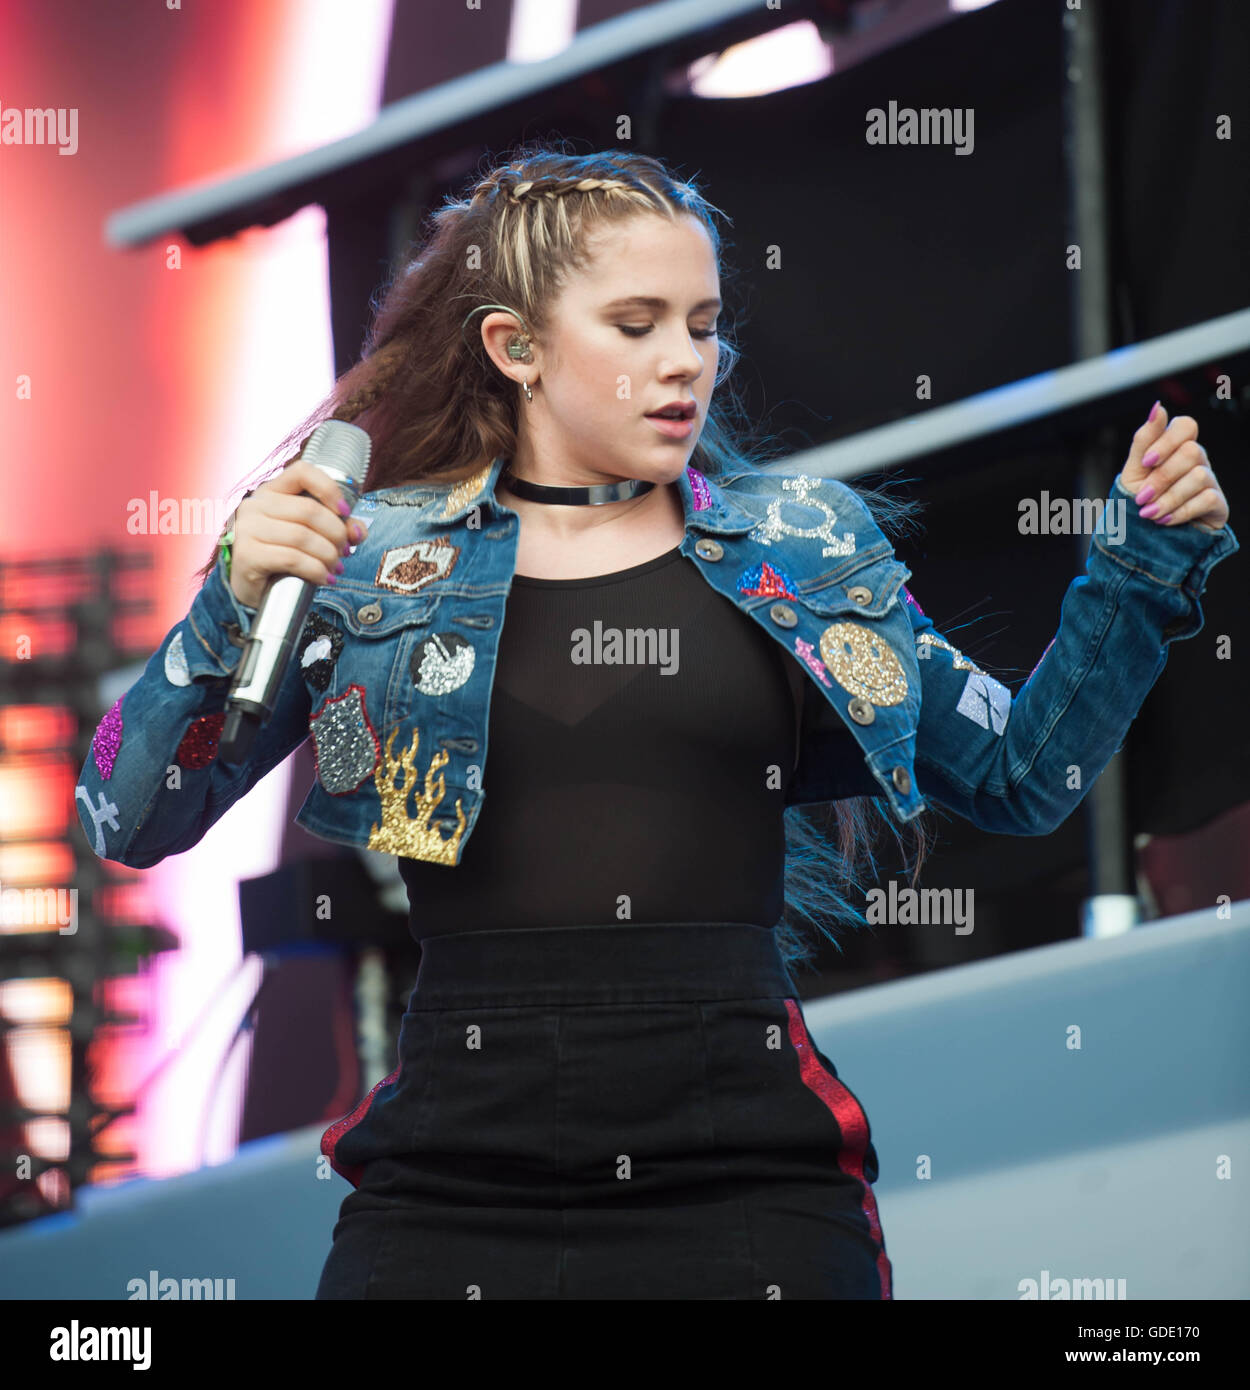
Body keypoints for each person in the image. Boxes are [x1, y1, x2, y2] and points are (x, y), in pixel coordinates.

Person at [76, 144, 1236, 1300]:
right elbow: (123, 816)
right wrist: (224, 610)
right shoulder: (368, 565)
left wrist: (1136, 572)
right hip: (447, 1177)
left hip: (745, 1174)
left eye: (701, 322)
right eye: (635, 324)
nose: (686, 362)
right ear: (513, 347)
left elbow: (1018, 775)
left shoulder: (803, 548)